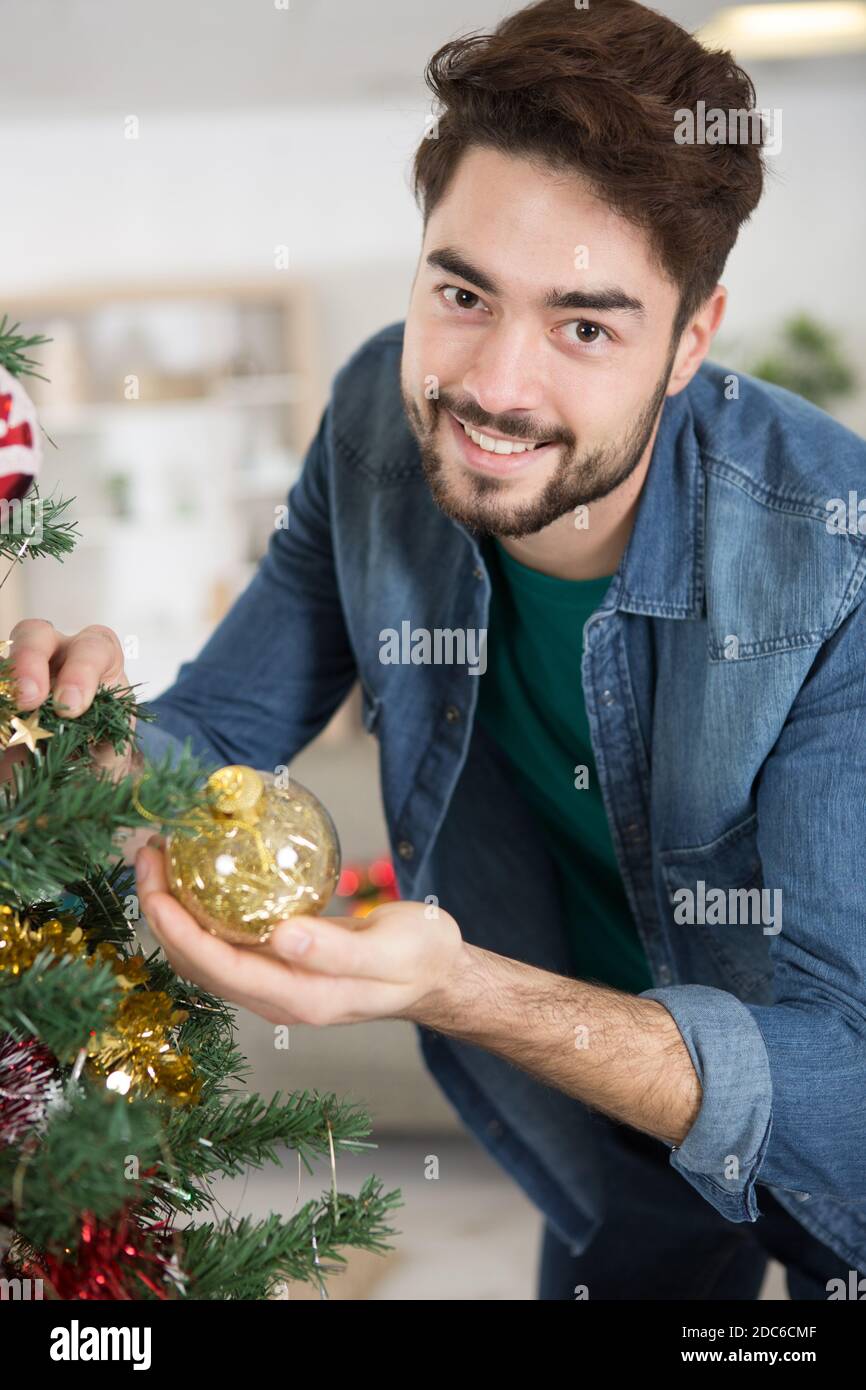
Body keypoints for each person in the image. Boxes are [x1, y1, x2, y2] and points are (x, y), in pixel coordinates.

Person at [7, 0, 866, 1299]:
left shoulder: (836, 552)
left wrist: (456, 987)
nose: (495, 386)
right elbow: (221, 733)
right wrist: (68, 750)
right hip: (598, 1128)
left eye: (585, 324)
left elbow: (838, 1073)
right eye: (462, 293)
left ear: (691, 338)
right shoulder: (374, 419)